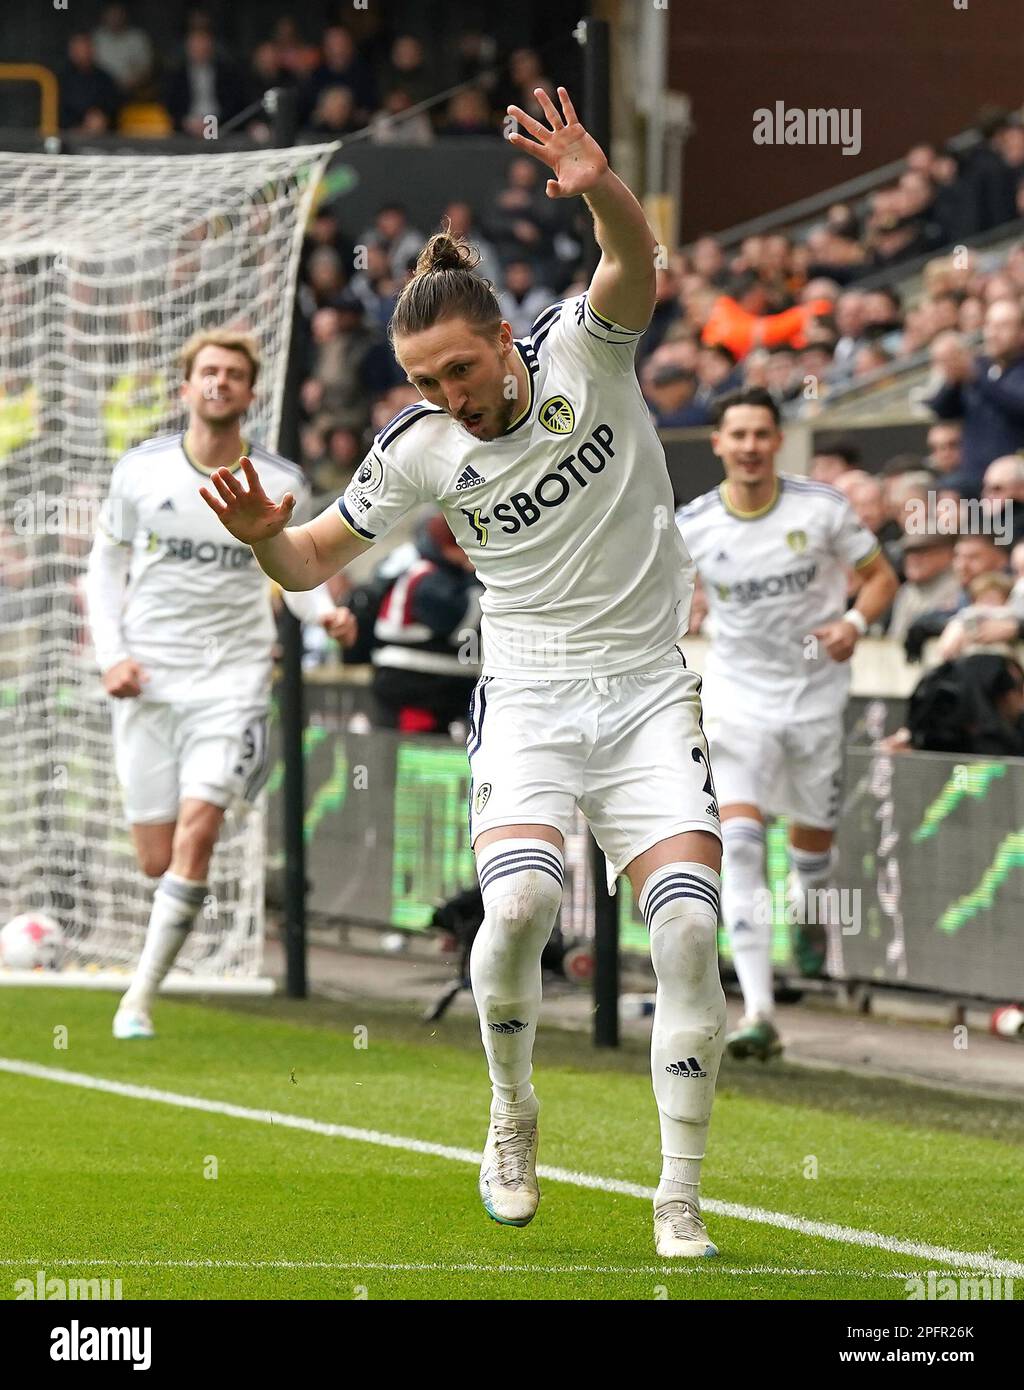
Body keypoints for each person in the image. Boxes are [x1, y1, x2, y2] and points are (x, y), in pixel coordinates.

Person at [203, 86, 726, 1261]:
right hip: (533, 695)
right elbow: (305, 561)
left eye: (459, 369)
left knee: (688, 934)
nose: (449, 396)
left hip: (647, 688)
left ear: (501, 336)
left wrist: (596, 183)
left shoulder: (588, 349)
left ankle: (677, 1196)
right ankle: (510, 1111)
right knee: (523, 907)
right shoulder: (419, 451)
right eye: (425, 382)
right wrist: (258, 539)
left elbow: (634, 261)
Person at [85, 330, 350, 1040]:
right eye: (208, 371)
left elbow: (293, 569)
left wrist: (326, 611)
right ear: (186, 387)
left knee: (198, 836)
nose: (219, 382)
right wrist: (113, 655)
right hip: (147, 681)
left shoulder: (281, 480)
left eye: (233, 373)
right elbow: (103, 569)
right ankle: (154, 957)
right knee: (156, 855)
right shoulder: (140, 472)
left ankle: (137, 999)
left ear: (249, 393)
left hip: (232, 680)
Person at [676, 388, 898, 1060]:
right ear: (717, 442)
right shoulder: (694, 523)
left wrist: (854, 622)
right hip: (737, 699)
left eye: (761, 435)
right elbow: (662, 591)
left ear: (778, 441)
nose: (748, 447)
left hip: (815, 697)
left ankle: (810, 901)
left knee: (810, 855)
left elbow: (880, 576)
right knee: (739, 844)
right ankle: (759, 1013)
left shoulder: (823, 509)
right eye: (736, 434)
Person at [926, 300, 1024, 485]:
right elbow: (942, 411)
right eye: (990, 325)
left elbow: (1018, 405)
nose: (993, 333)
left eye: (1003, 326)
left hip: (1013, 482)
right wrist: (953, 378)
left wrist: (976, 377)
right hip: (975, 476)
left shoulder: (981, 373)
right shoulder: (982, 367)